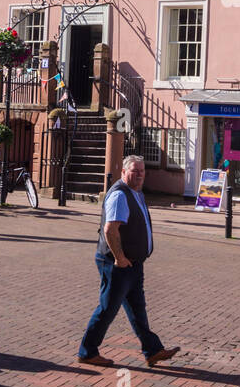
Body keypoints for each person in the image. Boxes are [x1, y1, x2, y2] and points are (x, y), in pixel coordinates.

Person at [77, 155, 179, 366]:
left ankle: (153, 351)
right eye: (134, 170)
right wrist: (120, 258)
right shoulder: (120, 195)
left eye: (142, 170)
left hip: (133, 263)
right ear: (124, 173)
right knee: (107, 308)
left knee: (137, 309)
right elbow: (110, 230)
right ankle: (87, 352)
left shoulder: (136, 193)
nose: (140, 174)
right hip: (117, 264)